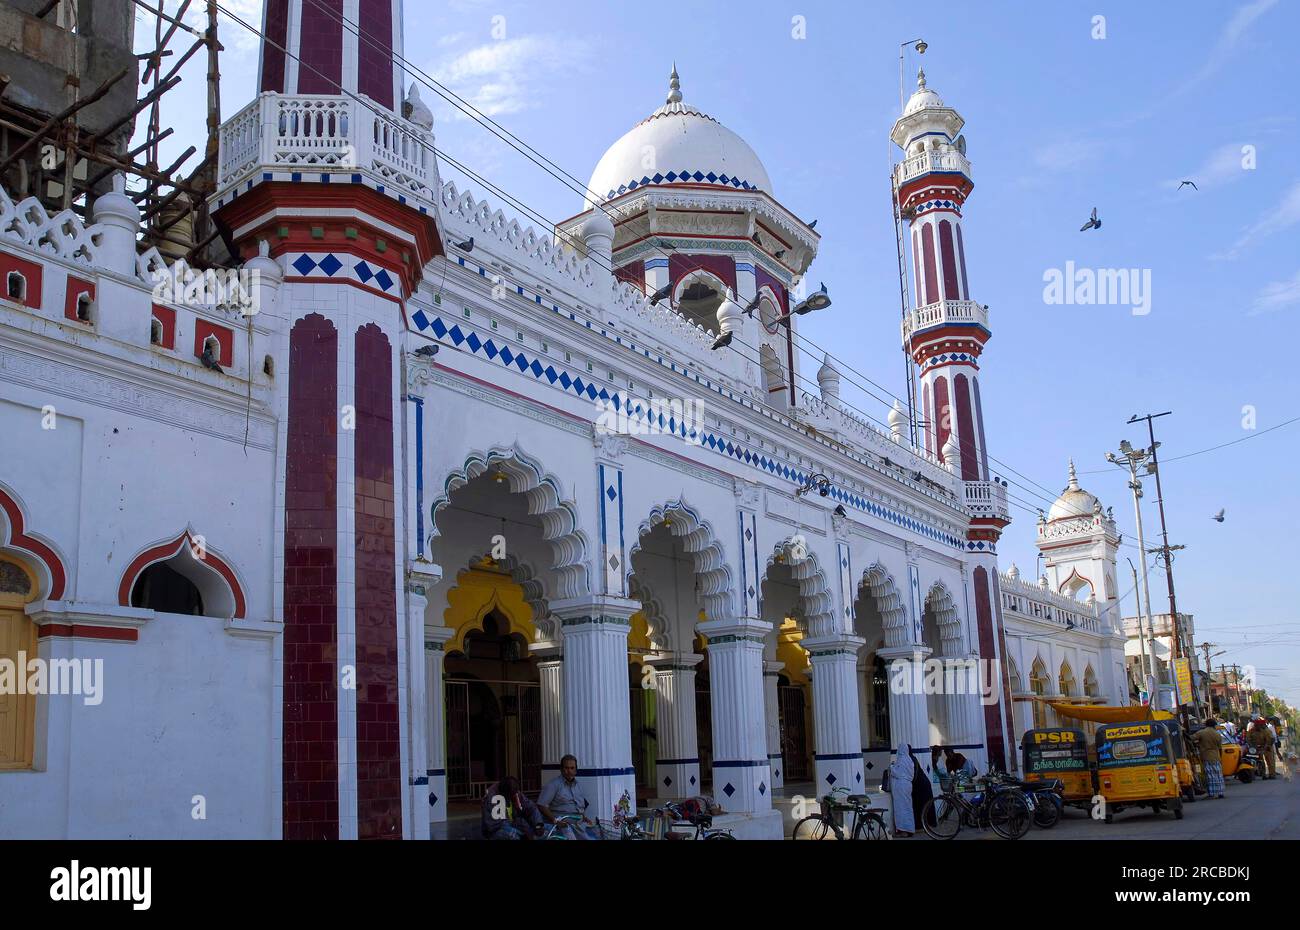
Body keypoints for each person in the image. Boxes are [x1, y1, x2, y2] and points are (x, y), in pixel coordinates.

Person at [537, 754, 602, 840]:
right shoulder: (553, 785)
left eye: (572, 768)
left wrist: (584, 817)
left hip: (579, 825)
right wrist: (555, 821)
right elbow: (541, 804)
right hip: (564, 826)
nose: (569, 771)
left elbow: (578, 805)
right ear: (561, 769)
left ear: (576, 770)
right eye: (566, 768)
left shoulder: (577, 785)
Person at [481, 775, 542, 840]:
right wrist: (522, 834)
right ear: (505, 794)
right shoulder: (494, 796)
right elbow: (495, 826)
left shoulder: (514, 792)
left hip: (513, 824)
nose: (515, 796)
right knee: (515, 836)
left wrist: (539, 825)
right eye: (512, 795)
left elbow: (531, 808)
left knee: (543, 830)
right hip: (495, 831)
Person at [888, 742, 917, 837]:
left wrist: (891, 767)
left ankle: (903, 831)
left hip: (901, 787)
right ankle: (909, 829)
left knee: (901, 808)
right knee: (908, 807)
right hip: (908, 786)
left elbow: (897, 773)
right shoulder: (910, 760)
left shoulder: (901, 760)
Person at [1194, 717, 1225, 799]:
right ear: (1214, 725)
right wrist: (1220, 757)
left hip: (1206, 756)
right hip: (1216, 756)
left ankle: (1211, 794)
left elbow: (1191, 738)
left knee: (1210, 776)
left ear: (1206, 725)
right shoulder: (1217, 734)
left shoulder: (1201, 732)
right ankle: (1220, 792)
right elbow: (1220, 748)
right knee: (1218, 775)